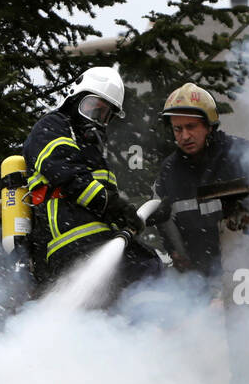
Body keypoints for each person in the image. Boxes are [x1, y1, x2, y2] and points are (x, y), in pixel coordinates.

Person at [22, 66, 153, 295]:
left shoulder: (93, 151)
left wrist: (126, 216)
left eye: (105, 115)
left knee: (148, 266)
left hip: (95, 239)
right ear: (74, 100)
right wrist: (113, 206)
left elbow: (106, 198)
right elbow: (66, 174)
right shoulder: (51, 127)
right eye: (92, 109)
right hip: (67, 241)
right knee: (144, 267)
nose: (97, 120)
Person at [149, 83, 249, 294]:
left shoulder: (242, 156)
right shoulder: (169, 172)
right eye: (177, 129)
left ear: (209, 125)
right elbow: (163, 220)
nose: (184, 136)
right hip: (201, 282)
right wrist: (175, 253)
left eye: (191, 127)